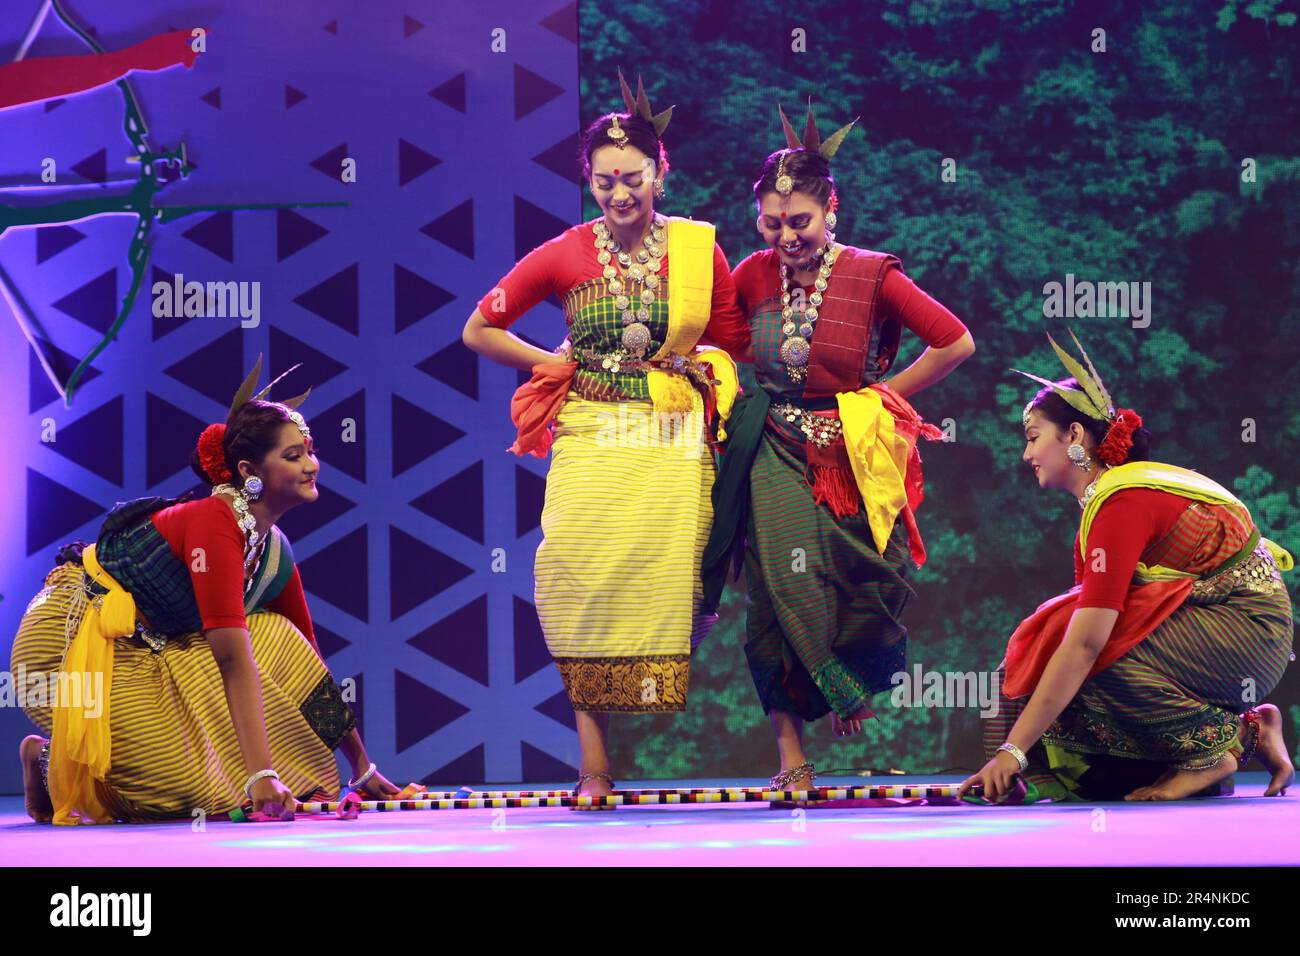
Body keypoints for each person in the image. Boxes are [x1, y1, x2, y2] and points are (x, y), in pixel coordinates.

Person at [461, 73, 748, 806]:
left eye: (634, 178)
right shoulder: (564, 252)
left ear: (661, 173)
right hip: (591, 434)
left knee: (671, 582)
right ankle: (593, 763)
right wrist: (547, 361)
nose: (621, 195)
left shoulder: (696, 250)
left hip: (670, 438)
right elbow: (479, 327)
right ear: (589, 181)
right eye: (606, 181)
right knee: (573, 580)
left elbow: (732, 343)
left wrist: (706, 370)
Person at [704, 103, 975, 796]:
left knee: (859, 582)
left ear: (831, 210)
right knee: (773, 588)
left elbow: (955, 340)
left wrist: (887, 397)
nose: (786, 237)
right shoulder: (751, 274)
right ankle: (794, 758)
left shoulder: (871, 274)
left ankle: (845, 673)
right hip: (768, 445)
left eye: (800, 222)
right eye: (772, 223)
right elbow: (717, 345)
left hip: (851, 454)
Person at [14, 356, 399, 824]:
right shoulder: (215, 522)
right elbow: (231, 660)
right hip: (67, 642)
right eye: (293, 456)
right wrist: (260, 772)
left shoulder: (270, 549)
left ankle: (240, 776)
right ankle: (52, 765)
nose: (311, 465)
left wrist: (361, 767)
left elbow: (305, 659)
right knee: (180, 786)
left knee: (275, 635)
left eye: (311, 451)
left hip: (145, 648)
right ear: (248, 470)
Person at [958, 331, 1294, 803]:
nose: (1026, 454)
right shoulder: (1108, 502)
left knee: (1082, 650)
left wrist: (1014, 750)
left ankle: (1221, 749)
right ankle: (1253, 731)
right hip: (1212, 632)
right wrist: (1008, 753)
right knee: (1045, 648)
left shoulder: (1122, 503)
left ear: (1074, 436)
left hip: (1246, 632)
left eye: (1034, 438)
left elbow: (1087, 642)